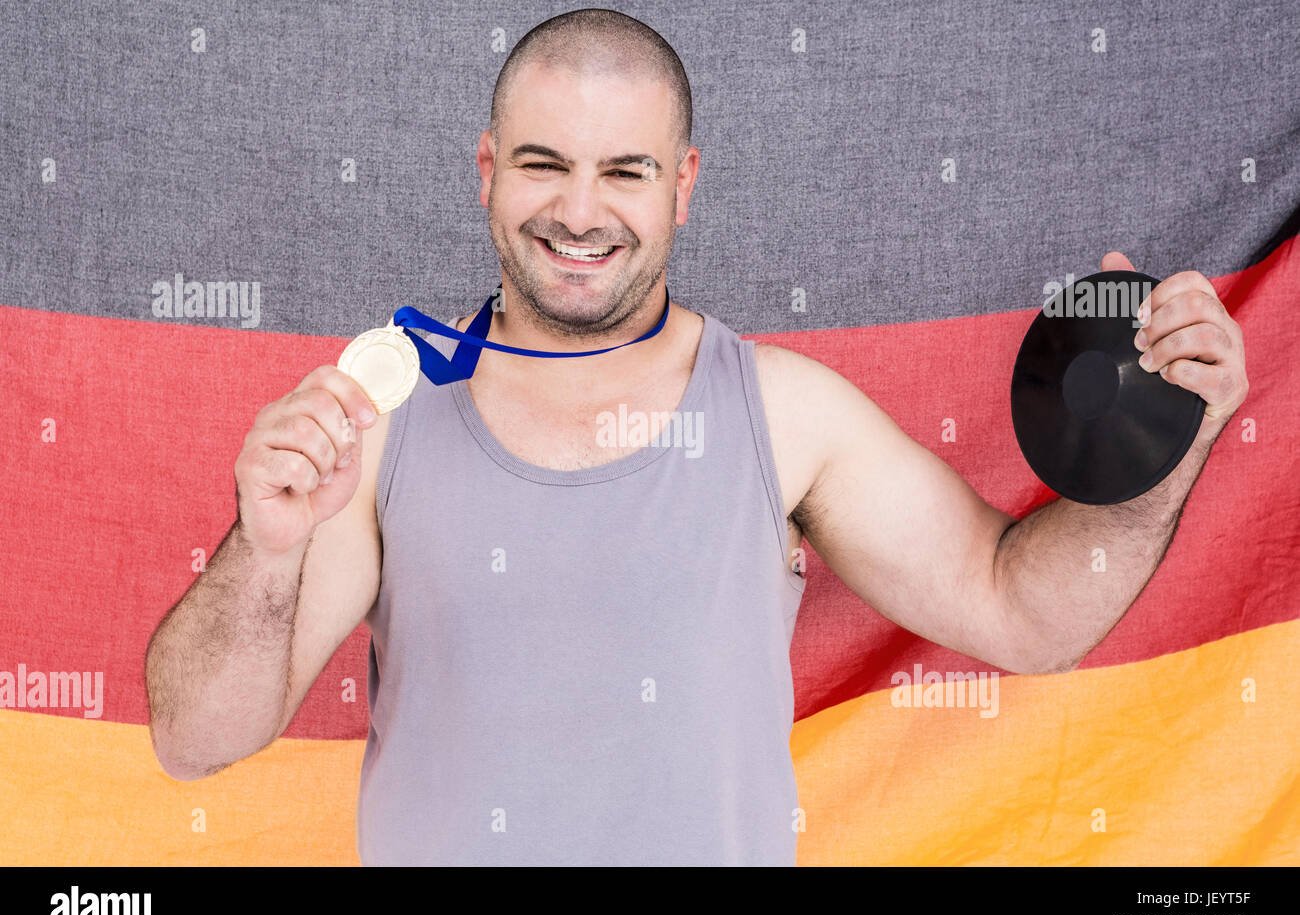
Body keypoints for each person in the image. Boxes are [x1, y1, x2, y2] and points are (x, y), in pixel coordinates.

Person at [144, 9, 1249, 865]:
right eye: (544, 164)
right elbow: (195, 737)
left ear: (683, 185)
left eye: (623, 171)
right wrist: (267, 542)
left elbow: (1019, 615)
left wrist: (1170, 446)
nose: (579, 211)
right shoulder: (379, 421)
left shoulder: (783, 410)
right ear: (487, 171)